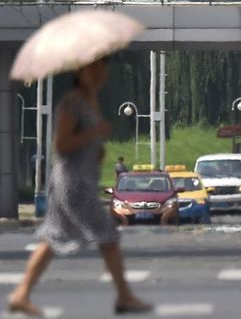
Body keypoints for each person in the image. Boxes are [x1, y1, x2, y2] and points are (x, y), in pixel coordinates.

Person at [7, 58, 151, 316]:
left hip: (77, 180)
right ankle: (125, 296)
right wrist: (95, 132)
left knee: (53, 239)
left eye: (102, 69)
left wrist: (95, 150)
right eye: (94, 68)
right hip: (74, 185)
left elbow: (80, 145)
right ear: (81, 72)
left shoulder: (88, 102)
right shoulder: (72, 103)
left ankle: (21, 293)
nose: (100, 74)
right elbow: (62, 145)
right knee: (109, 236)